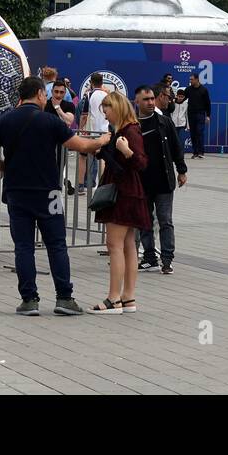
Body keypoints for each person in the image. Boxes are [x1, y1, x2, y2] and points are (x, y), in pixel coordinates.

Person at [0, 75, 107, 316]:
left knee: (24, 247)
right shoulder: (50, 121)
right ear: (40, 94)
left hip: (17, 192)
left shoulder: (5, 120)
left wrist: (5, 169)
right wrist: (102, 139)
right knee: (56, 245)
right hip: (48, 193)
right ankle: (64, 298)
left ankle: (29, 300)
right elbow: (80, 146)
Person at [89, 90, 149, 314]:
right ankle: (127, 297)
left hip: (123, 193)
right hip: (128, 191)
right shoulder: (125, 130)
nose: (105, 114)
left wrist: (126, 150)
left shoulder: (129, 131)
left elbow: (140, 162)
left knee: (115, 245)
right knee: (127, 246)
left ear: (117, 108)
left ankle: (114, 298)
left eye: (107, 109)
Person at [136, 85, 188, 275]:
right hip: (141, 181)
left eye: (151, 99)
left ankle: (167, 259)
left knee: (165, 220)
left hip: (164, 181)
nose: (150, 102)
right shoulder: (133, 124)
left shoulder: (164, 122)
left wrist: (181, 170)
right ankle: (149, 257)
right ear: (137, 102)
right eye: (146, 99)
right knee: (145, 220)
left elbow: (176, 148)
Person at [77, 73, 109, 196]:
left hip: (91, 132)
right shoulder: (107, 95)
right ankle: (102, 186)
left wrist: (80, 129)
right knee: (103, 158)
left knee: (83, 156)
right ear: (102, 82)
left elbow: (84, 115)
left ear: (91, 82)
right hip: (104, 132)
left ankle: (80, 186)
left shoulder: (89, 95)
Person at [184, 73, 211, 160]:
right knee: (193, 133)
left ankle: (201, 152)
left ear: (197, 79)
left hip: (200, 114)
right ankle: (195, 152)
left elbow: (208, 103)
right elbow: (182, 99)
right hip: (191, 114)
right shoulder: (188, 89)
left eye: (192, 79)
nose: (190, 81)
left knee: (200, 132)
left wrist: (208, 115)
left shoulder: (204, 90)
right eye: (190, 79)